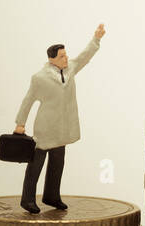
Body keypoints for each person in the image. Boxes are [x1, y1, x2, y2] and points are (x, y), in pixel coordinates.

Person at [12, 23, 105, 214]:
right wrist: (20, 123)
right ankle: (27, 199)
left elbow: (84, 57)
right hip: (45, 129)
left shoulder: (70, 69)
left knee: (58, 163)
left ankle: (52, 195)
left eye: (65, 54)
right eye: (62, 56)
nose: (66, 58)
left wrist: (96, 38)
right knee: (35, 165)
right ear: (52, 59)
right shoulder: (39, 78)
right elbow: (27, 101)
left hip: (63, 128)